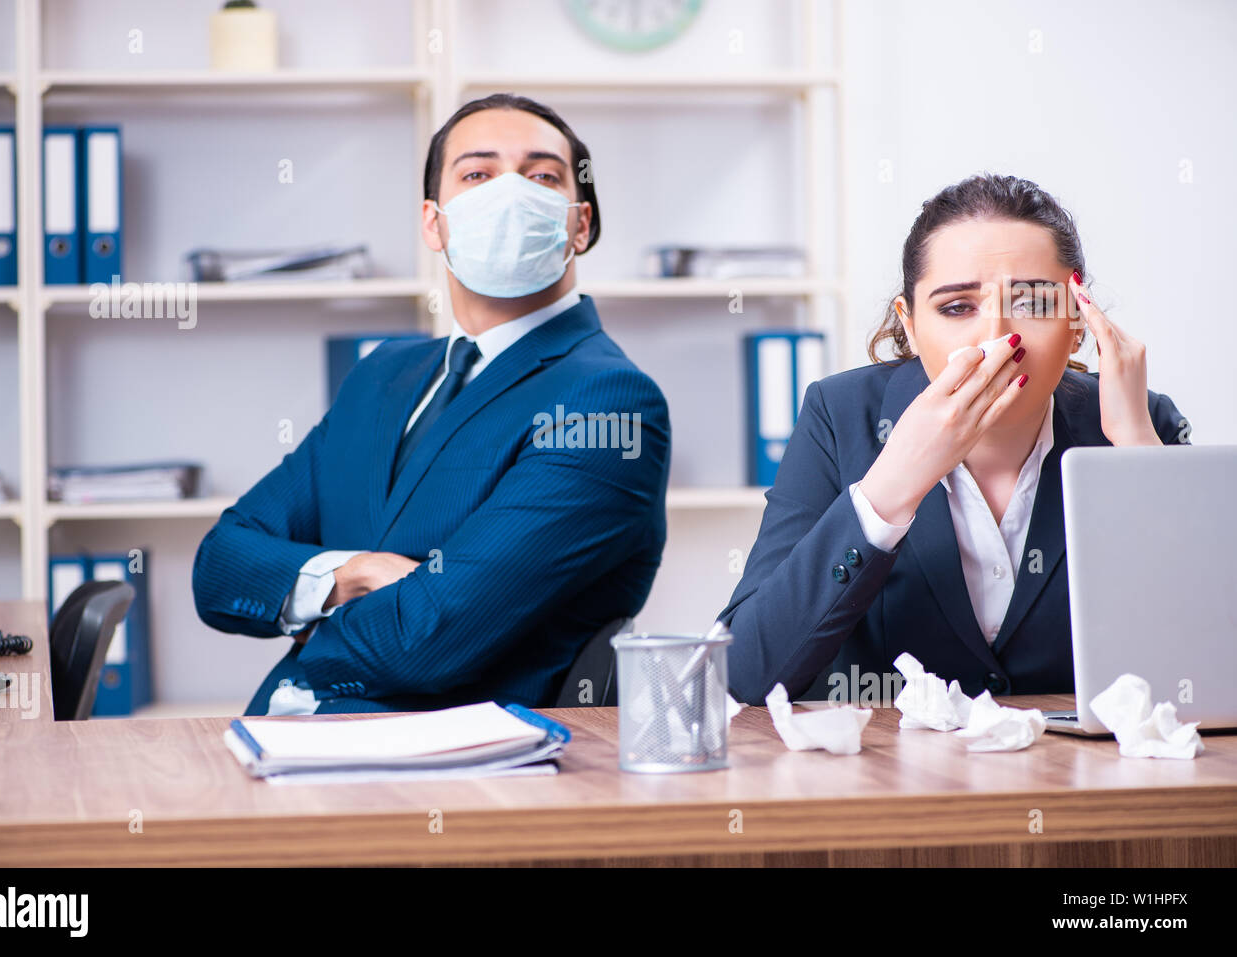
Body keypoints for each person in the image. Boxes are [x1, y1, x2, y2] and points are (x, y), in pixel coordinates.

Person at [193, 94, 671, 715]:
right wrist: (346, 577)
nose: (509, 193)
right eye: (477, 174)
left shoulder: (608, 403)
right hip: (276, 740)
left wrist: (308, 615)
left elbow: (423, 639)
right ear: (433, 223)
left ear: (579, 225)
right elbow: (220, 565)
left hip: (444, 760)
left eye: (542, 176)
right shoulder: (383, 374)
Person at [719, 173, 1189, 705]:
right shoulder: (839, 415)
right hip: (890, 759)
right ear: (910, 324)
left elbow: (1211, 656)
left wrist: (1139, 456)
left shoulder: (1144, 423)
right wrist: (890, 489)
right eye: (957, 307)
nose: (995, 337)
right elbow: (743, 676)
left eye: (1033, 303)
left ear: (1078, 319)